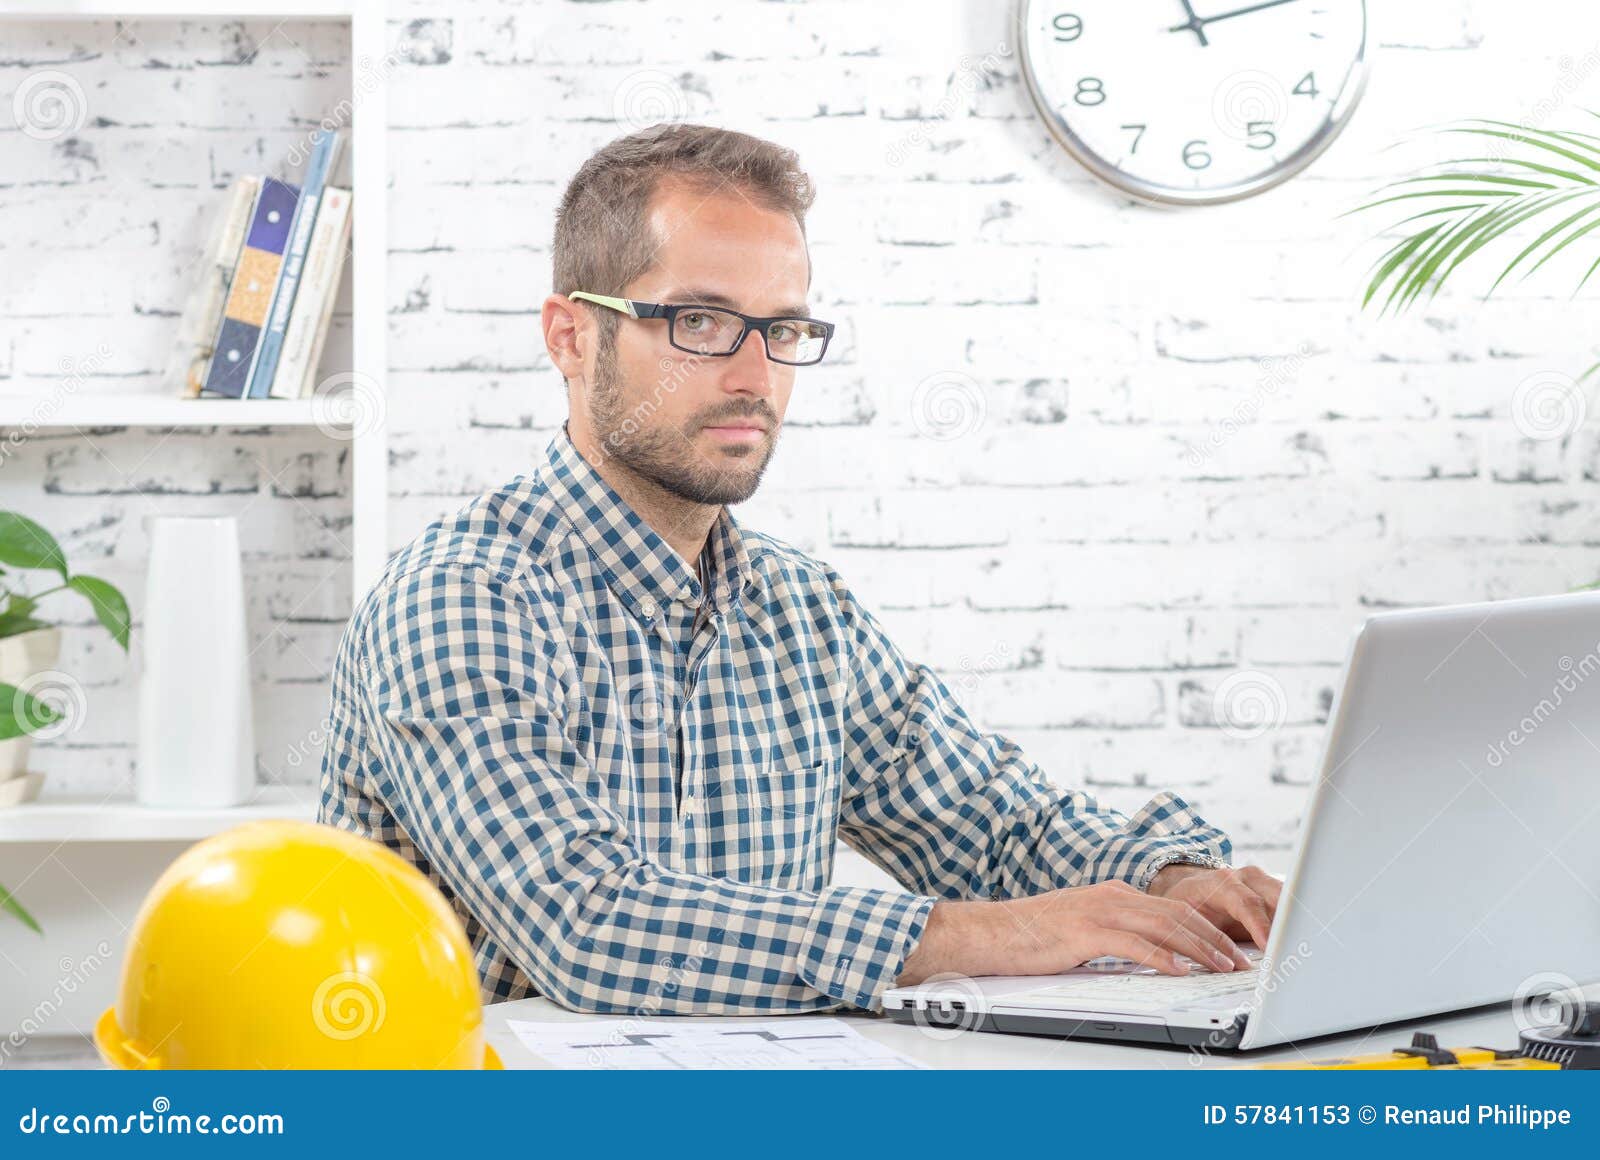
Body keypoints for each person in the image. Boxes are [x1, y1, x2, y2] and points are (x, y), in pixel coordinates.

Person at [319, 123, 1282, 1015]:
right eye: (701, 322)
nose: (755, 376)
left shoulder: (802, 612)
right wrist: (993, 934)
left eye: (783, 330)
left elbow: (990, 826)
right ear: (571, 336)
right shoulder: (460, 599)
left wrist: (1174, 885)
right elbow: (589, 925)